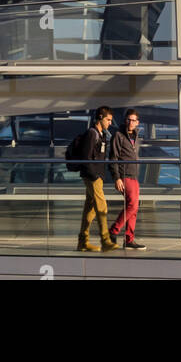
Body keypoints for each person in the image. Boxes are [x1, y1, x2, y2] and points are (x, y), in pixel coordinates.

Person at [76, 105, 117, 253]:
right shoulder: (92, 133)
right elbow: (86, 157)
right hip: (92, 177)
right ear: (100, 118)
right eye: (108, 120)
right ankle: (106, 240)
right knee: (102, 206)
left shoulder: (102, 134)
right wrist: (94, 176)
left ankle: (83, 241)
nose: (110, 123)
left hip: (97, 176)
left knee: (90, 209)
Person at [108, 109, 146, 250]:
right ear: (125, 121)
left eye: (133, 120)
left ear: (138, 122)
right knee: (132, 205)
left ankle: (129, 240)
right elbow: (113, 158)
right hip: (124, 176)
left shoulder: (136, 136)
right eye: (128, 119)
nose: (131, 122)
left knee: (134, 208)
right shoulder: (118, 135)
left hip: (134, 175)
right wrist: (117, 178)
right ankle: (113, 230)